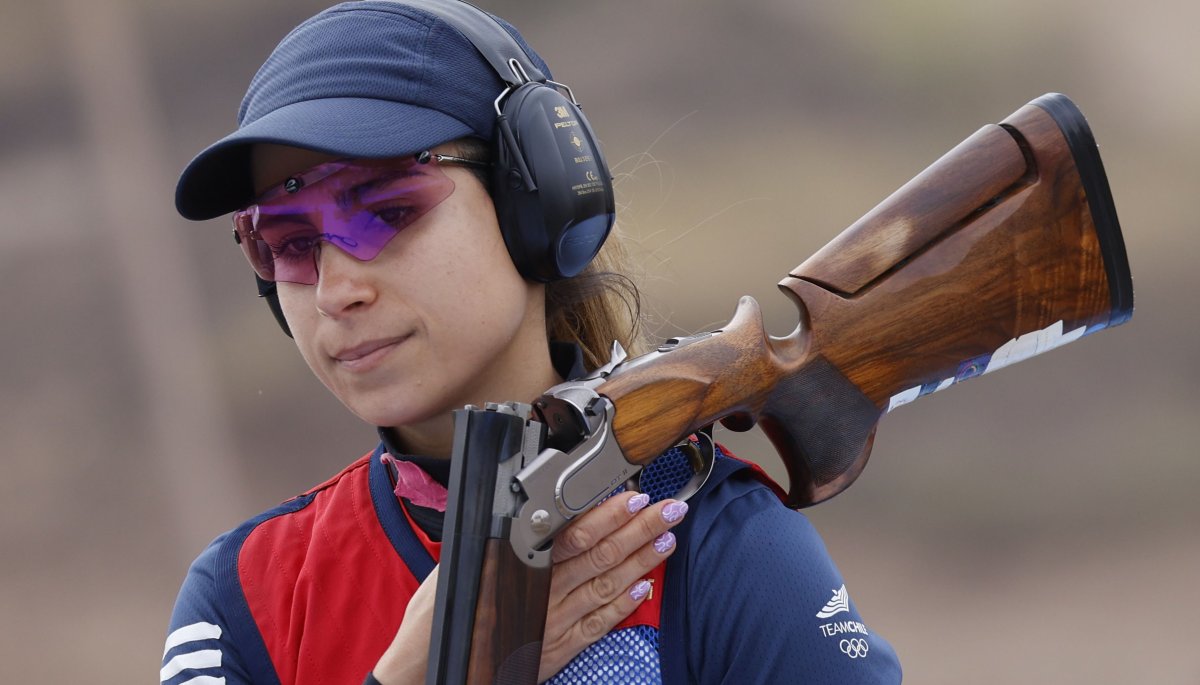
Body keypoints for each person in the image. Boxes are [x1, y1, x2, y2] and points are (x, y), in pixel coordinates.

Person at [161, 2, 903, 684]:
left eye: (385, 211)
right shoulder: (243, 592)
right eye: (289, 244)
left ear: (536, 200)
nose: (334, 290)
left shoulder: (723, 543)